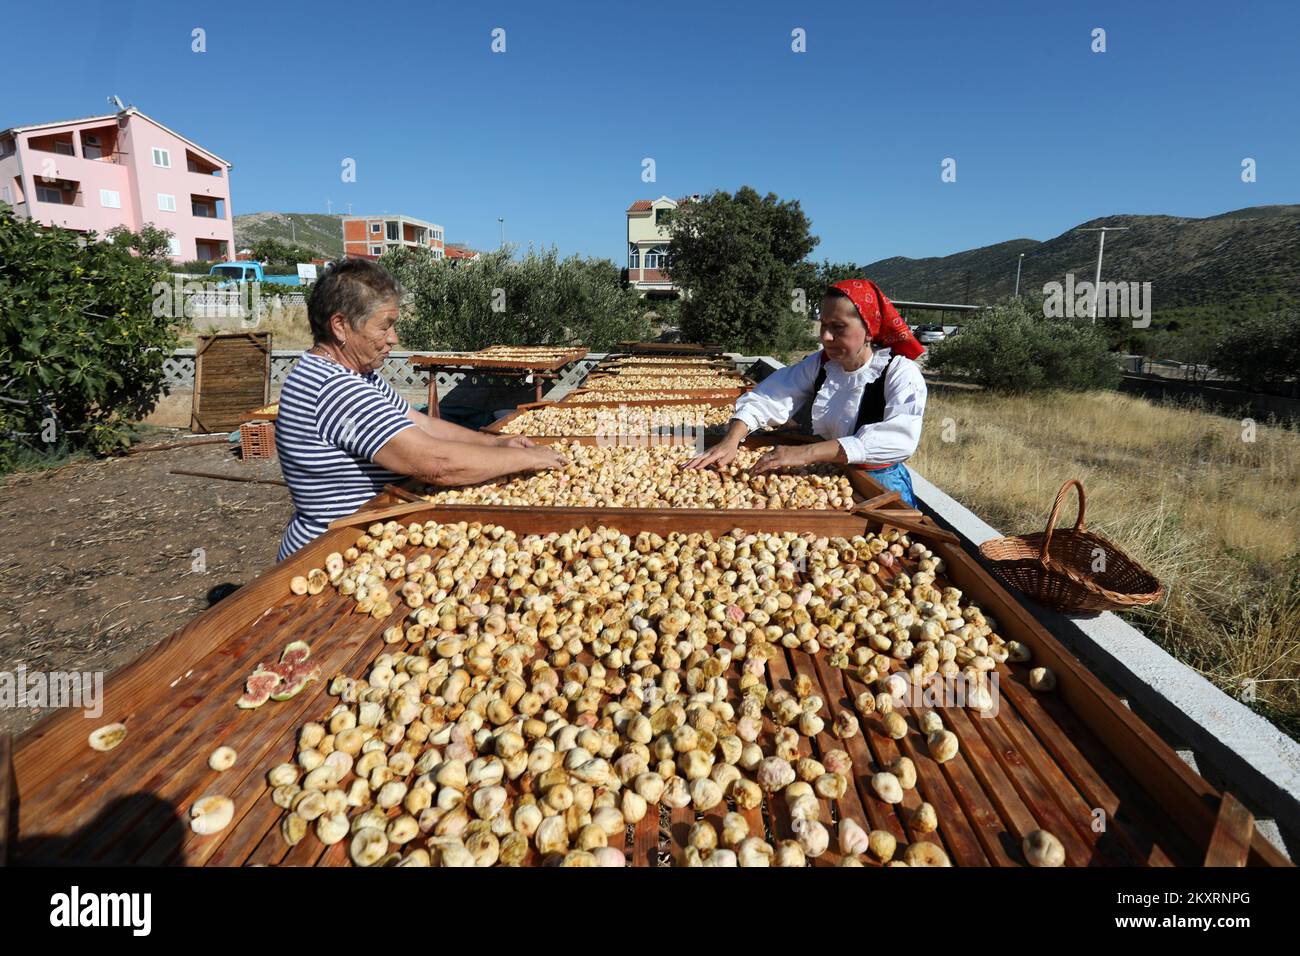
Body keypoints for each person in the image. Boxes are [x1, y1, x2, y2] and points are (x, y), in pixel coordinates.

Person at [275, 258, 566, 559]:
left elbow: (423, 424)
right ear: (340, 326)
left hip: (364, 537)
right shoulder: (336, 387)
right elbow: (435, 462)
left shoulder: (356, 375)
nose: (393, 338)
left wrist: (496, 442)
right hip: (330, 552)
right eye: (384, 326)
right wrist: (524, 458)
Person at [683, 279, 927, 507]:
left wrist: (806, 453)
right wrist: (732, 439)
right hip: (828, 478)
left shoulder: (899, 373)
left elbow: (899, 439)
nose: (826, 337)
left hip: (879, 484)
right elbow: (770, 396)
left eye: (838, 327)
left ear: (870, 330)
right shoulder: (821, 364)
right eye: (823, 325)